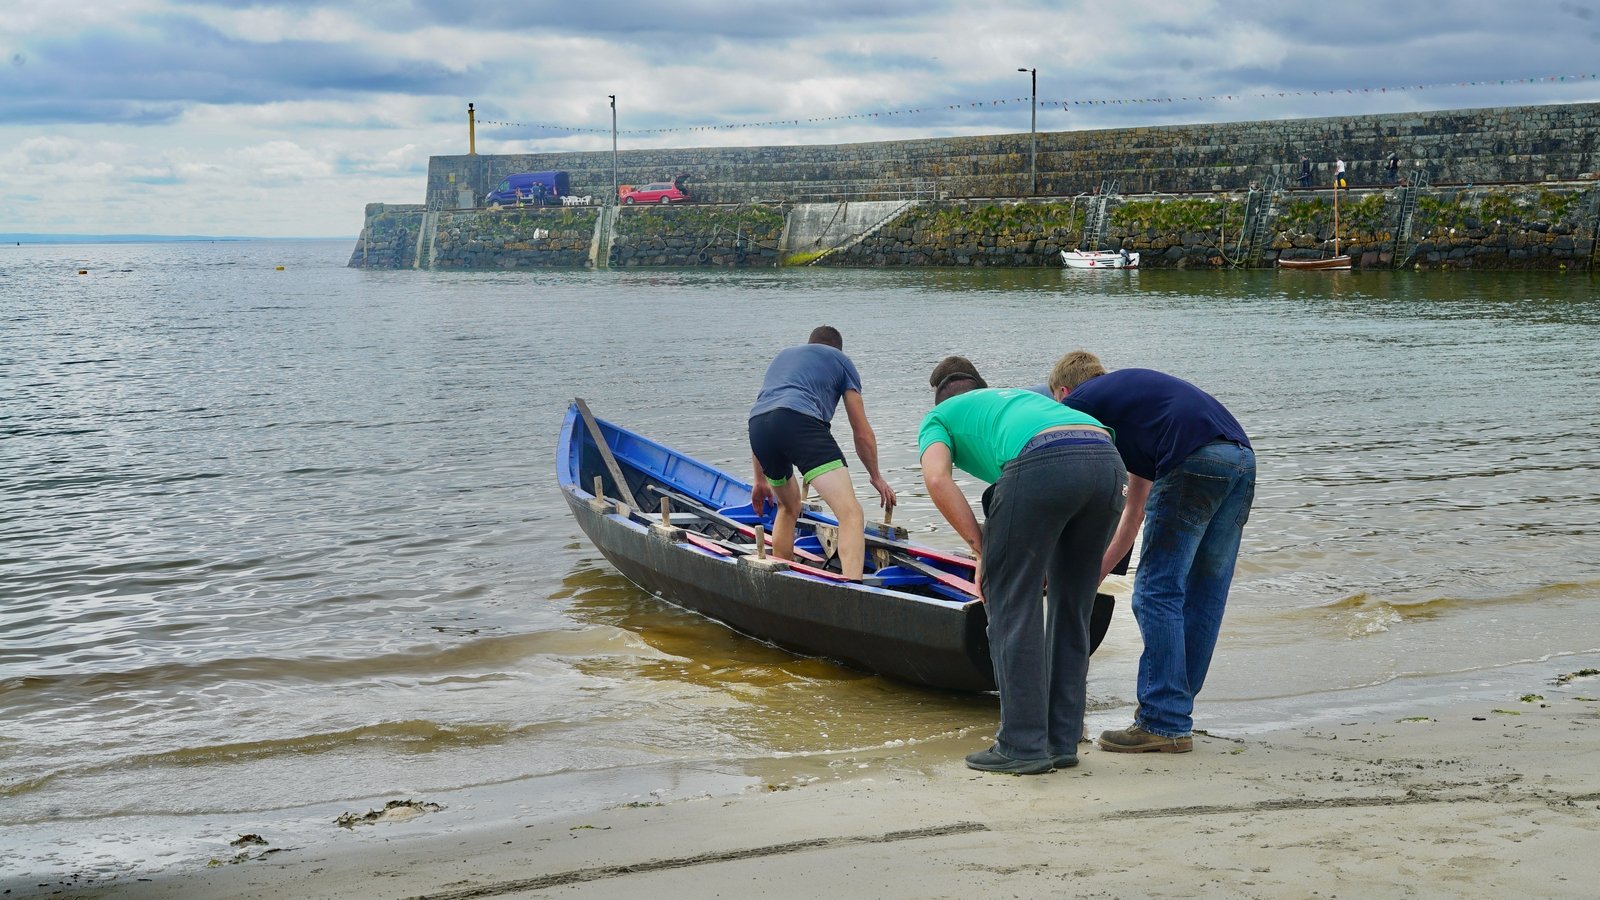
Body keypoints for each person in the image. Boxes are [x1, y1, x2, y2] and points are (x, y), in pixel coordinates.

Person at [919, 360, 1126, 774]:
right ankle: (1061, 741)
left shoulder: (938, 418)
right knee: (1073, 608)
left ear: (939, 397)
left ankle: (1021, 745)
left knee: (1013, 603)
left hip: (1043, 461)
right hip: (1106, 459)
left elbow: (938, 480)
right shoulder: (1020, 401)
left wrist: (982, 551)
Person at [1047, 351, 1255, 754]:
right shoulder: (1135, 412)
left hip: (1194, 460)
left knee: (1156, 592)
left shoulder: (1077, 403)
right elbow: (1133, 513)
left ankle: (1163, 720)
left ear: (1064, 391)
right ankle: (1175, 714)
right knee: (1204, 592)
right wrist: (1094, 577)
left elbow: (1058, 469)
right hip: (1241, 460)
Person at [748, 326, 895, 581]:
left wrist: (760, 480)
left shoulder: (782, 357)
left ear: (809, 344)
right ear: (837, 348)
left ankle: (782, 579)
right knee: (851, 514)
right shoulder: (841, 361)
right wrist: (876, 476)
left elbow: (766, 411)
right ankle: (853, 589)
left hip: (758, 427)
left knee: (788, 506)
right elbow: (861, 431)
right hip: (799, 423)